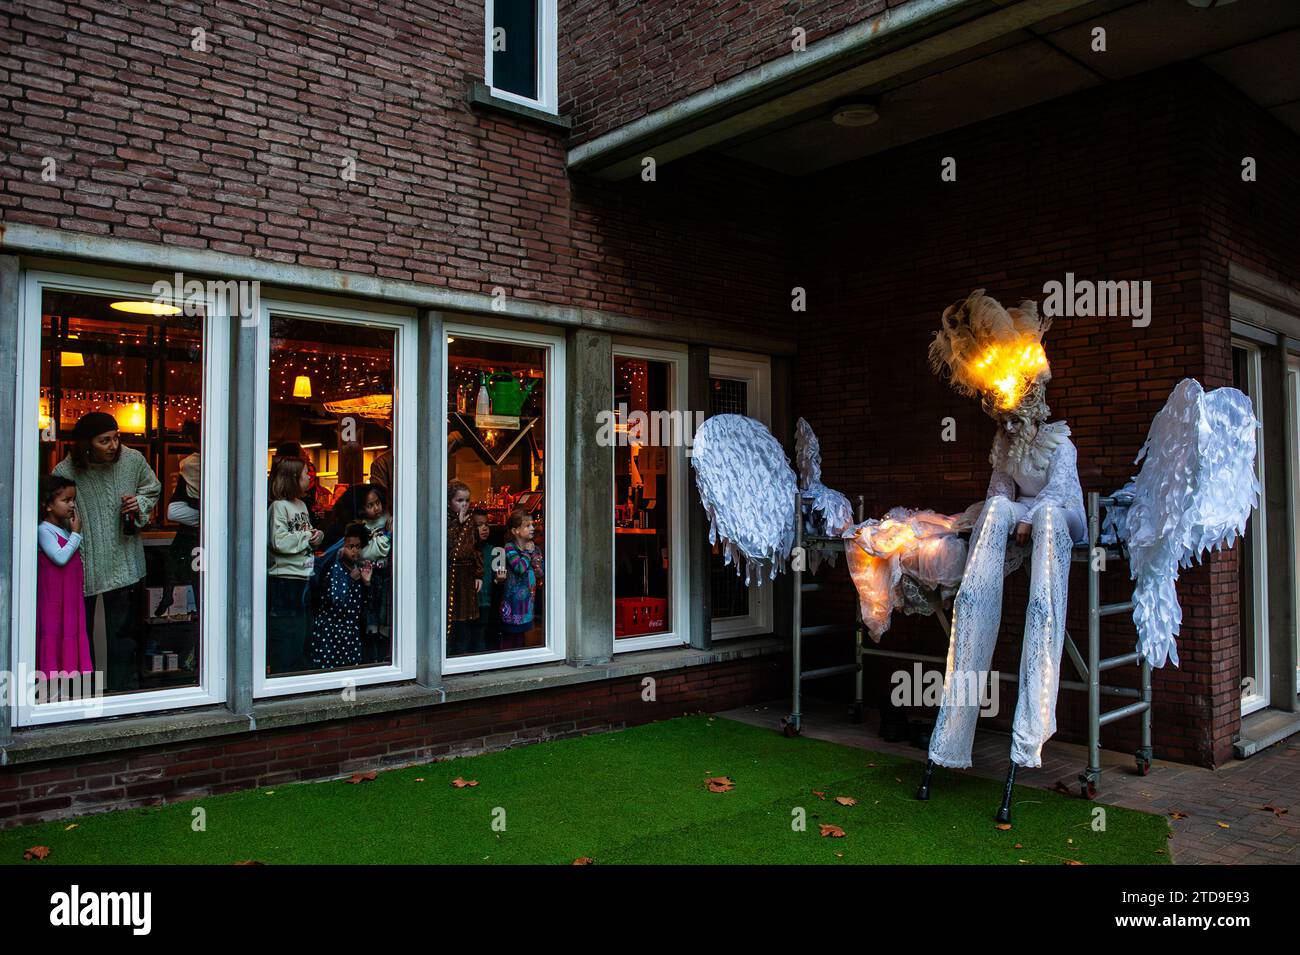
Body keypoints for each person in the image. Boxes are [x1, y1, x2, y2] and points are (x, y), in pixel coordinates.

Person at [918, 289, 1086, 823]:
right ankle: (952, 733)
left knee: (1050, 520)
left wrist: (1028, 519)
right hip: (1017, 520)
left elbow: (1060, 498)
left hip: (1061, 520)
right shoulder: (1005, 447)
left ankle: (1030, 730)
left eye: (1017, 420)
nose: (1011, 429)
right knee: (992, 517)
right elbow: (998, 496)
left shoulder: (1061, 445)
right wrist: (999, 519)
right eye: (1005, 420)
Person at [53, 412, 161, 692]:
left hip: (125, 563)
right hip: (82, 566)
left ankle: (122, 697)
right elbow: (51, 511)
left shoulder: (133, 460)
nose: (114, 445)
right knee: (78, 639)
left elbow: (153, 488)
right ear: (86, 444)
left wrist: (140, 504)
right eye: (105, 440)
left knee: (123, 640)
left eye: (116, 437)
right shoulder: (66, 472)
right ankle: (81, 700)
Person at [267, 456, 323, 674]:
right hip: (286, 579)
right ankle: (285, 675)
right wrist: (306, 537)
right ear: (292, 479)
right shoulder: (278, 507)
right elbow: (277, 541)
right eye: (305, 474)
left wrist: (316, 536)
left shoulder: (301, 505)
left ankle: (299, 674)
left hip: (304, 576)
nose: (309, 477)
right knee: (288, 635)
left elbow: (303, 534)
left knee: (304, 633)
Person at [36, 475, 92, 677]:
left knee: (67, 636)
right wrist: (76, 533)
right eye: (66, 500)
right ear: (48, 505)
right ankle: (50, 688)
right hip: (54, 601)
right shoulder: (44, 530)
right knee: (54, 637)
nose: (72, 505)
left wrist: (73, 533)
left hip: (69, 600)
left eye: (73, 500)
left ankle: (65, 686)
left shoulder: (63, 530)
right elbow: (60, 558)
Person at [308, 522, 372, 669]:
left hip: (349, 632)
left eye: (358, 547)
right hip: (331, 632)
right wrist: (350, 580)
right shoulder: (335, 568)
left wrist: (367, 583)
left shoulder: (359, 568)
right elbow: (336, 601)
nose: (355, 551)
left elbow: (366, 606)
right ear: (342, 546)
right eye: (351, 547)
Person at [157, 419, 202, 617]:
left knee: (177, 566)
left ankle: (169, 594)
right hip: (197, 533)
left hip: (191, 533)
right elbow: (173, 512)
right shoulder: (196, 464)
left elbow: (173, 511)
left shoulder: (189, 464)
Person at [499, 508, 544, 650]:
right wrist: (527, 552)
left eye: (532, 524)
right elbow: (519, 567)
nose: (532, 528)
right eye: (527, 525)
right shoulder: (509, 548)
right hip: (513, 603)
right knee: (511, 637)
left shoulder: (534, 548)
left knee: (521, 637)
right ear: (515, 531)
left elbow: (540, 572)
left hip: (527, 602)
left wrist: (538, 562)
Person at [447, 480, 481, 655]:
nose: (464, 505)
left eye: (467, 500)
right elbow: (449, 547)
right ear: (448, 501)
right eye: (459, 500)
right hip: (452, 574)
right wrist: (457, 525)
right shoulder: (446, 520)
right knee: (452, 618)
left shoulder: (470, 521)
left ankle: (464, 653)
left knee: (466, 621)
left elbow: (475, 549)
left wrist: (478, 574)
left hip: (467, 574)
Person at [359, 484, 392, 664]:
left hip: (385, 577)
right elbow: (368, 552)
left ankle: (383, 654)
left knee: (384, 619)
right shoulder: (361, 527)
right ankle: (370, 658)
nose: (376, 508)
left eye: (378, 503)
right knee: (370, 618)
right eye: (370, 505)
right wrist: (387, 536)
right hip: (368, 579)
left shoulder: (388, 519)